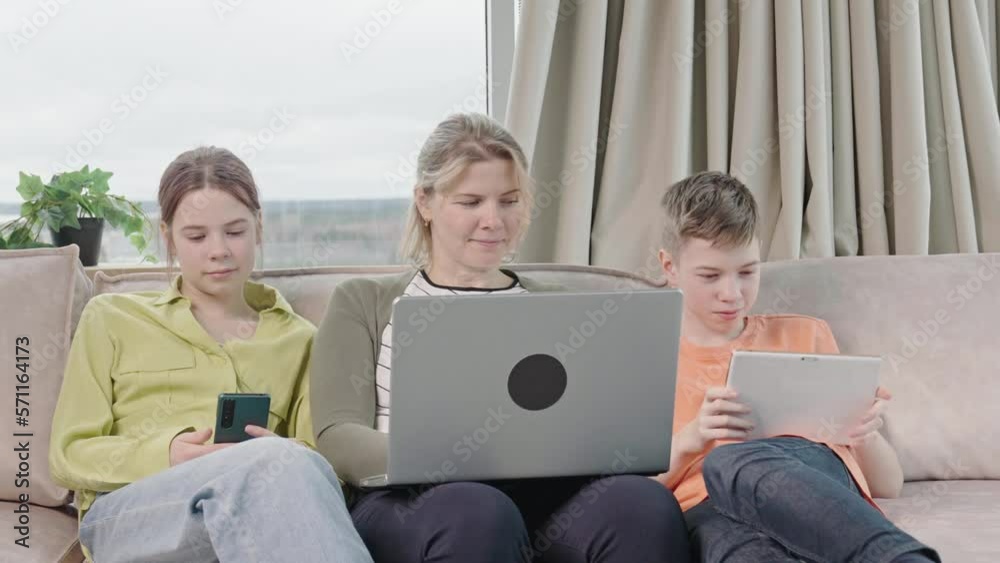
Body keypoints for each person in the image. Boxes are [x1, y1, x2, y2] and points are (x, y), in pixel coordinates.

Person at [310, 113, 691, 563]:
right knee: (479, 513)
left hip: (544, 498)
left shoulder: (563, 307)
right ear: (425, 202)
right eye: (471, 202)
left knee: (641, 506)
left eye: (508, 201)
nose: (493, 221)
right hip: (410, 501)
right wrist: (448, 459)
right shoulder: (365, 301)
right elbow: (336, 435)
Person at [49, 146, 372, 563]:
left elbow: (325, 473)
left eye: (235, 232)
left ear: (259, 228)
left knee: (281, 466)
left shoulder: (300, 339)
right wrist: (166, 454)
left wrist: (275, 455)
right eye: (197, 236)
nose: (218, 250)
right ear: (168, 239)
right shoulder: (111, 317)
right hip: (132, 518)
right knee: (273, 468)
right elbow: (69, 452)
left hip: (258, 503)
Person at [652, 171, 940, 562]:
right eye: (710, 275)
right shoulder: (649, 357)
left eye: (747, 272)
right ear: (669, 267)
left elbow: (889, 484)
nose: (732, 293)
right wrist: (691, 439)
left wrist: (864, 435)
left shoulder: (806, 336)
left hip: (811, 497)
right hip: (707, 512)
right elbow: (624, 492)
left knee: (730, 460)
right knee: (729, 540)